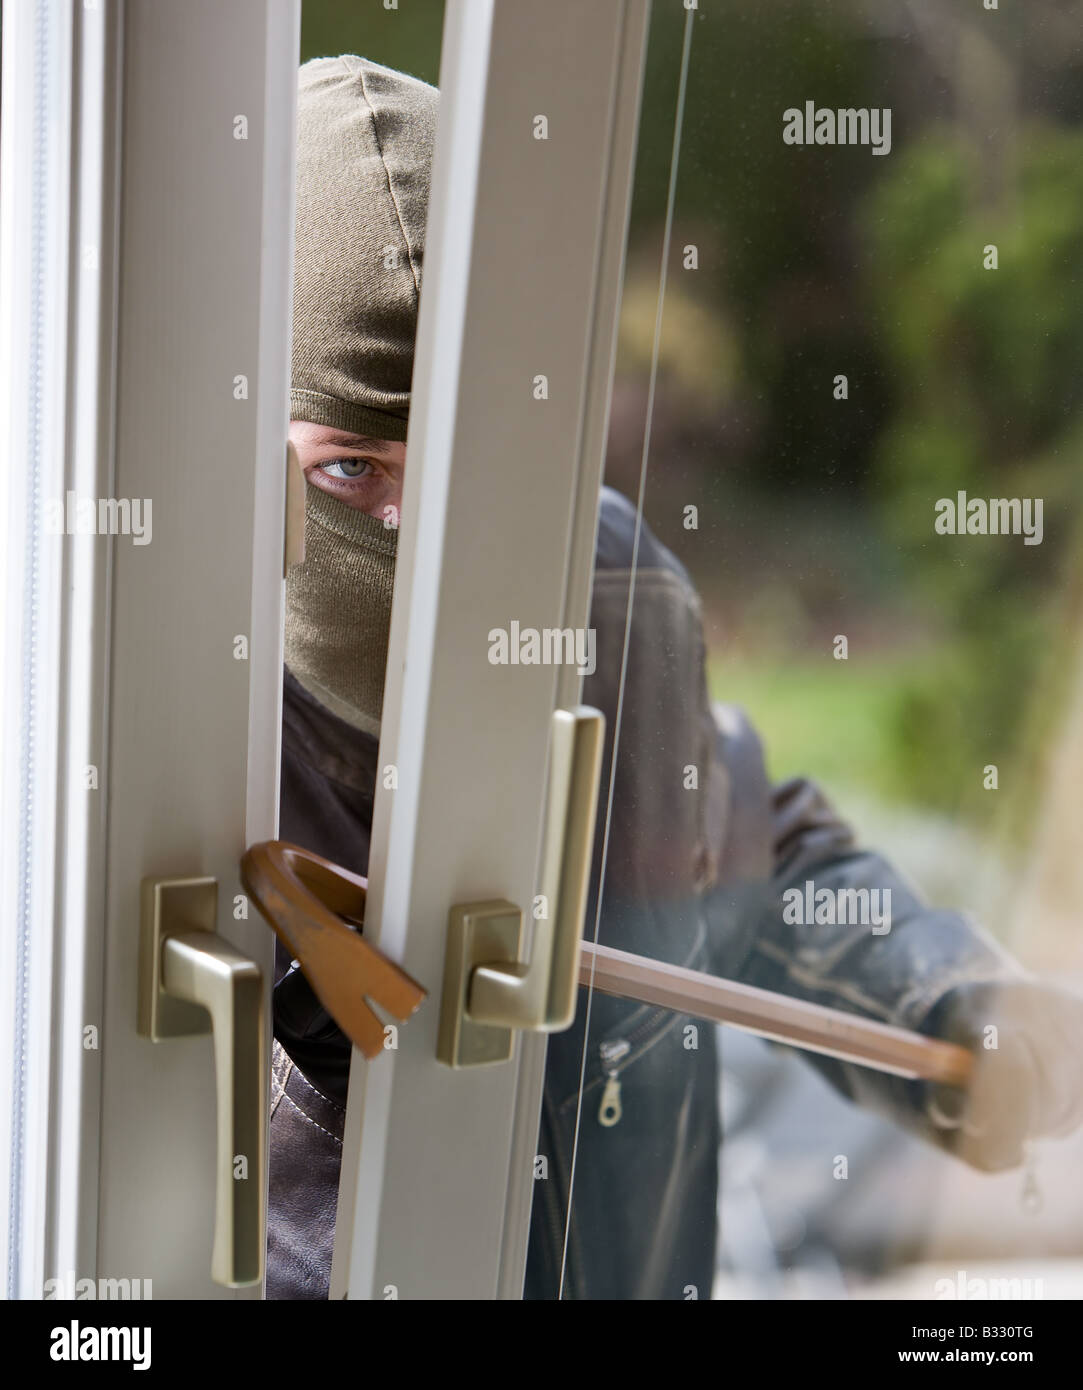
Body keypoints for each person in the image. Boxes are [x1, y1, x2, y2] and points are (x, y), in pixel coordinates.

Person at [268, 54, 1083, 1300]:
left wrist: (943, 995)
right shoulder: (149, 702)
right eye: (350, 470)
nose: (417, 533)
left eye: (462, 461)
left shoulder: (611, 591)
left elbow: (747, 852)